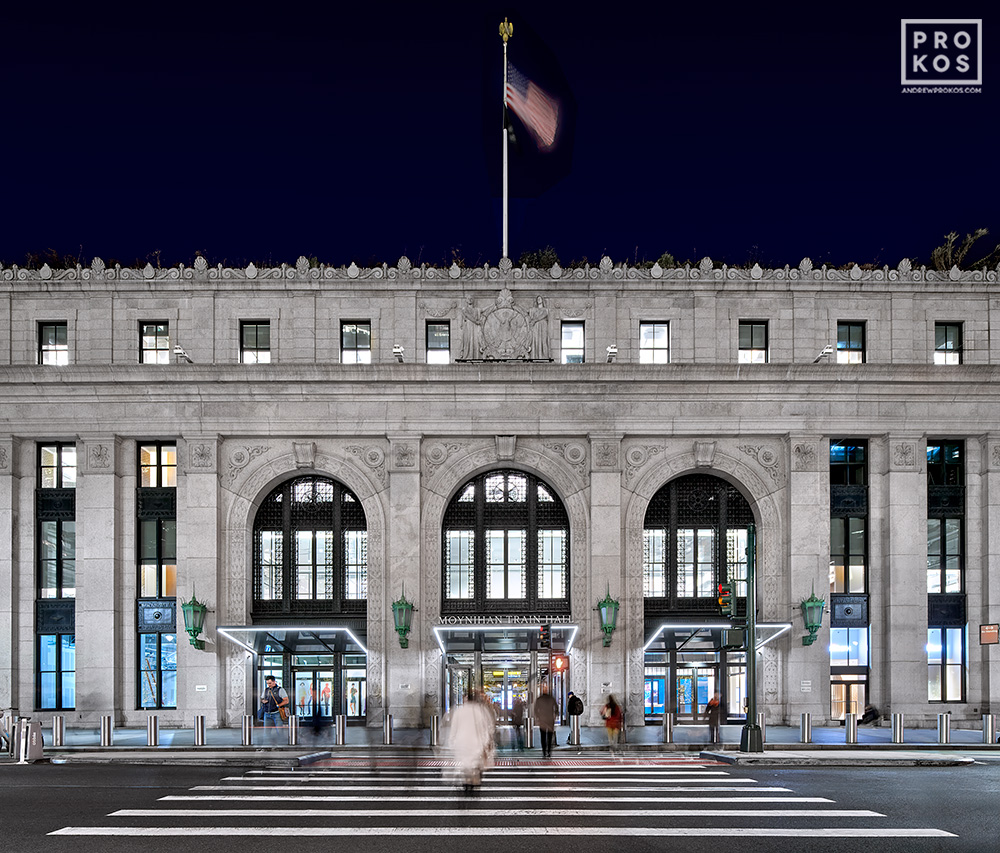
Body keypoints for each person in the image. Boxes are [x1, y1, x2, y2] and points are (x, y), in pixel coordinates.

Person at [448, 691, 495, 793]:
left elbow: (453, 728)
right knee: (475, 763)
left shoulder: (459, 711)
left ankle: (467, 782)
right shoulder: (480, 711)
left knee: (466, 764)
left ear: (465, 699)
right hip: (476, 742)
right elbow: (487, 727)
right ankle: (474, 782)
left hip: (462, 742)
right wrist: (486, 741)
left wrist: (452, 742)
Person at [533, 682, 559, 758]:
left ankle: (544, 752)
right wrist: (555, 716)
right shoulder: (551, 698)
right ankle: (549, 752)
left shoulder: (539, 699)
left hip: (543, 721)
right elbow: (556, 708)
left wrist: (538, 718)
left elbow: (535, 710)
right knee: (549, 737)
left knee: (543, 737)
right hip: (550, 720)